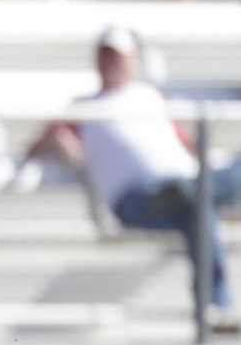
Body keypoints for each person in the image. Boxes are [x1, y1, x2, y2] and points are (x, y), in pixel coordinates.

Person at [18, 26, 239, 326]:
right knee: (198, 202)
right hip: (137, 199)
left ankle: (216, 307)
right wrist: (58, 138)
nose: (111, 62)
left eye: (118, 55)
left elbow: (186, 145)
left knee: (199, 209)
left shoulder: (150, 97)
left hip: (184, 186)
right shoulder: (83, 108)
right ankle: (216, 299)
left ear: (134, 59)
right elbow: (33, 147)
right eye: (106, 55)